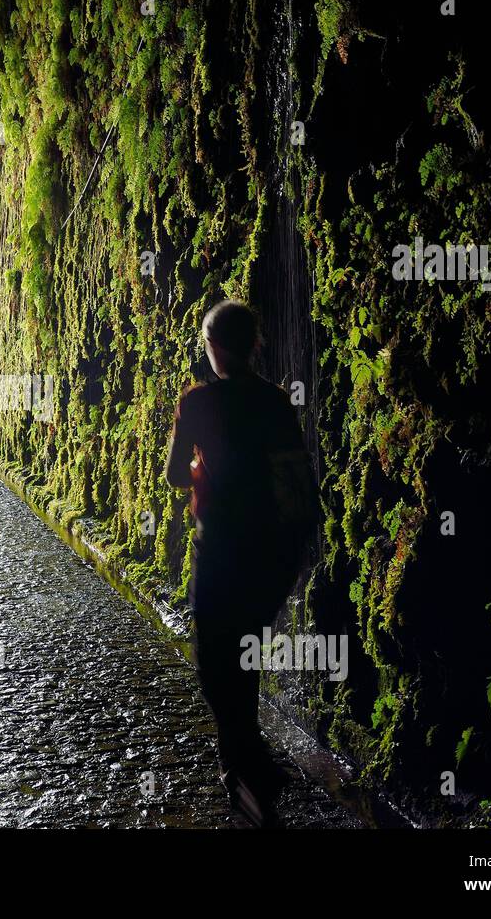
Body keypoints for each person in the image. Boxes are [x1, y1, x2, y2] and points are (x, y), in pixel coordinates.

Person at [165, 299, 316, 828]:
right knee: (246, 648)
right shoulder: (276, 401)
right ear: (252, 344)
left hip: (222, 549)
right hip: (271, 553)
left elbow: (175, 478)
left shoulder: (199, 403)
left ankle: (242, 766)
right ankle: (249, 757)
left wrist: (202, 463)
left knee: (214, 659)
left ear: (215, 347)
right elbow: (294, 471)